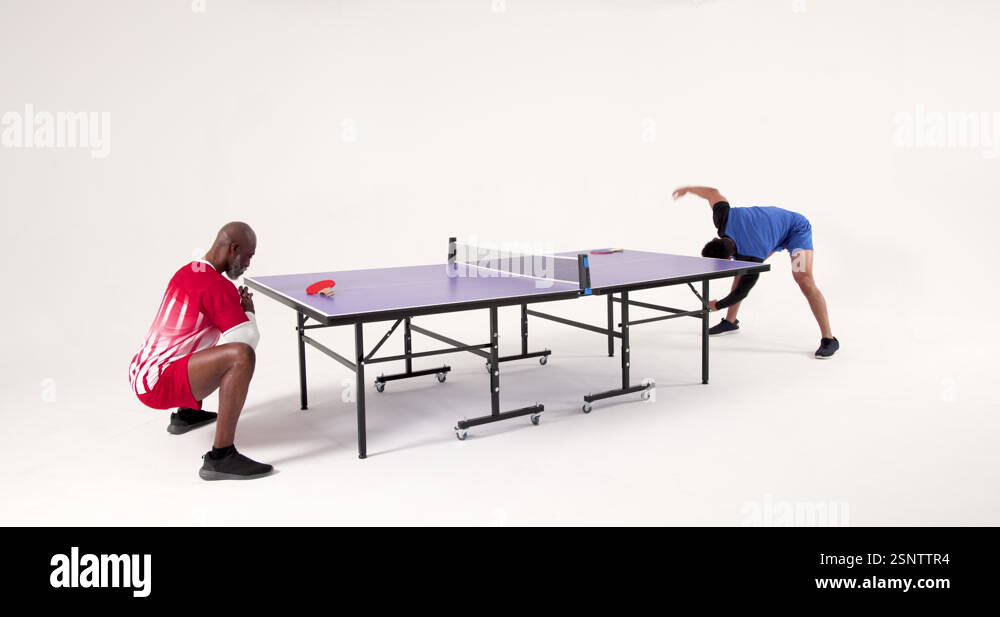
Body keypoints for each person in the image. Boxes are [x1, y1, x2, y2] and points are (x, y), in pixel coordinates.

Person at [128, 222, 273, 480]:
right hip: (158, 385)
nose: (249, 263)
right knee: (240, 356)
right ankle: (222, 456)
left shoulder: (189, 269)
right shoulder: (217, 286)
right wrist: (248, 310)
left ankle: (187, 414)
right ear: (233, 248)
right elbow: (247, 340)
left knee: (207, 340)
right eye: (248, 255)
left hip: (142, 372)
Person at [672, 186, 839, 359]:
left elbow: (741, 292)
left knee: (803, 279)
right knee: (741, 271)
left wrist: (717, 305)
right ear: (715, 238)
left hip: (795, 229)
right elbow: (712, 193)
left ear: (729, 258)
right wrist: (688, 189)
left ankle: (829, 339)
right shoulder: (723, 217)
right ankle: (730, 322)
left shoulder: (753, 257)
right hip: (768, 230)